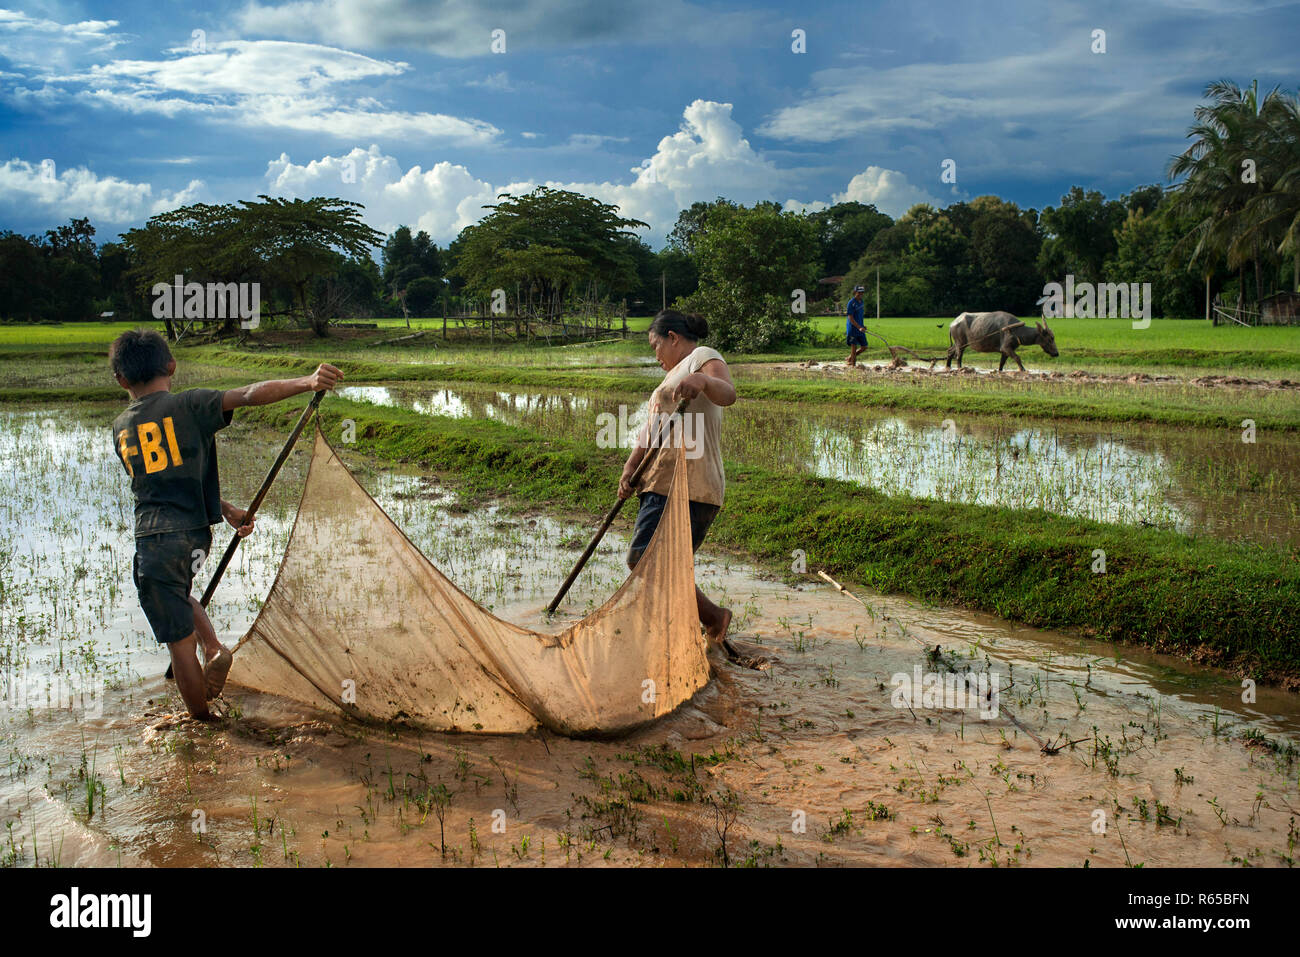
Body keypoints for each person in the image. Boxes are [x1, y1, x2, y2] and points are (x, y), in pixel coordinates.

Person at [109, 328, 342, 720]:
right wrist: (307, 381)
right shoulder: (191, 404)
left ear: (120, 379)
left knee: (178, 642)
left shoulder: (121, 427)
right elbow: (249, 394)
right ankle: (214, 648)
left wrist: (306, 381)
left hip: (154, 536)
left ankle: (201, 721)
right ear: (171, 366)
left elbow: (155, 484)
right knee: (182, 592)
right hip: (197, 532)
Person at [619, 309, 736, 646]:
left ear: (672, 337)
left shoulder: (701, 357)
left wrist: (702, 381)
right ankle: (683, 626)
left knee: (645, 559)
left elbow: (727, 393)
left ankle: (713, 617)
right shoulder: (669, 379)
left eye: (656, 346)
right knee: (655, 562)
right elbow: (651, 431)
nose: (655, 355)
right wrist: (630, 468)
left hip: (691, 484)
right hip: (657, 482)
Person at [846, 285, 868, 366]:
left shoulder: (861, 302)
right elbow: (850, 318)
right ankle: (853, 365)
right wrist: (859, 327)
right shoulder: (851, 303)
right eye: (859, 292)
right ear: (855, 292)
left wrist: (862, 326)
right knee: (854, 347)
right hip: (853, 329)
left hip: (860, 328)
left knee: (864, 347)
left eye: (862, 293)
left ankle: (849, 358)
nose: (861, 294)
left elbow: (859, 316)